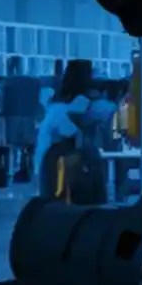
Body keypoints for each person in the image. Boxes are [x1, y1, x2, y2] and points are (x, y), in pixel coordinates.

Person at [34, 61, 94, 197]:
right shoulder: (80, 103)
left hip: (44, 160)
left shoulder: (55, 105)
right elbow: (70, 132)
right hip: (57, 165)